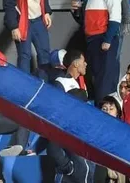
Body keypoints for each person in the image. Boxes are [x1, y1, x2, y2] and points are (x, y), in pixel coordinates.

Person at [75, 0, 123, 102]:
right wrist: (75, 11)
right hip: (92, 41)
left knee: (105, 83)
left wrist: (107, 40)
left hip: (103, 41)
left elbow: (115, 17)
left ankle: (107, 117)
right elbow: (85, 20)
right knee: (95, 82)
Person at [43, 50, 89, 183]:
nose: (85, 63)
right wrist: (67, 167)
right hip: (68, 145)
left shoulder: (81, 84)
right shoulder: (60, 82)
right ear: (75, 64)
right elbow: (56, 115)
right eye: (82, 61)